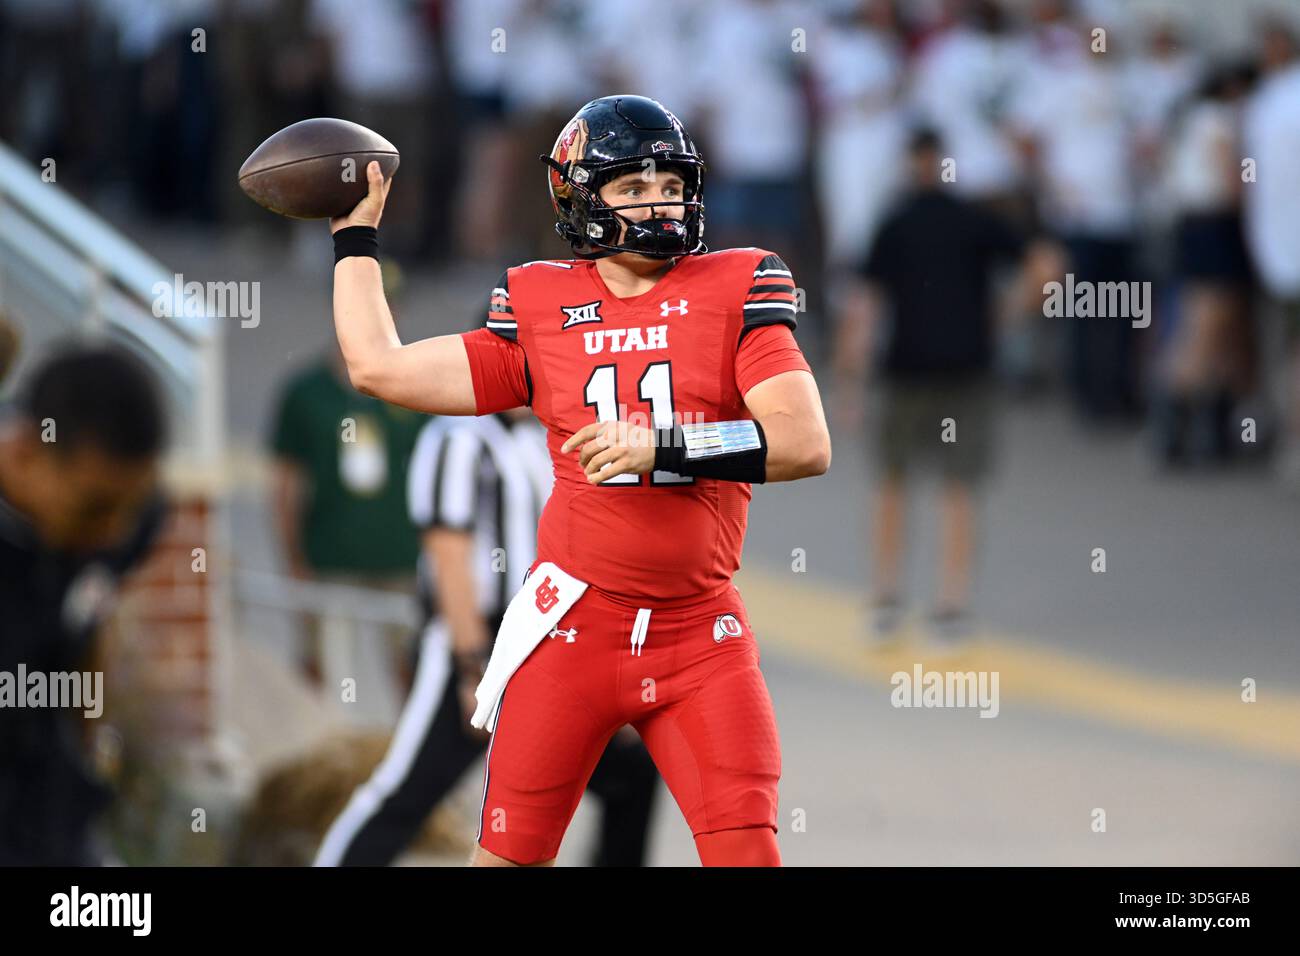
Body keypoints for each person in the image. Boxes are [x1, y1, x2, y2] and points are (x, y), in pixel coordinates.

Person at [326, 94, 831, 866]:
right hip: (571, 629)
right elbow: (377, 366)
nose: (659, 202)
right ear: (580, 199)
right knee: (506, 855)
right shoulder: (538, 301)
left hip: (700, 634)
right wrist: (355, 237)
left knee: (746, 853)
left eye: (670, 183)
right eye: (632, 187)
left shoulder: (739, 283)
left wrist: (663, 447)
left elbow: (803, 442)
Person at [315, 409, 661, 866]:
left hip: (546, 639)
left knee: (630, 775)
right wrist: (472, 666)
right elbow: (448, 555)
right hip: (480, 640)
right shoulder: (457, 438)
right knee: (407, 792)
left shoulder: (544, 435)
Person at [836, 128, 1052, 640]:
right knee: (957, 487)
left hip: (905, 371)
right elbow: (1047, 265)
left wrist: (850, 381)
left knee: (893, 482)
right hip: (968, 370)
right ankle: (950, 606)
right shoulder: (976, 220)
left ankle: (887, 599)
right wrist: (1007, 316)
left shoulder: (894, 223)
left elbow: (864, 307)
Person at [0, 342, 167, 865]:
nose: (113, 531)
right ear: (24, 454)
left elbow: (90, 623)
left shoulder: (126, 525)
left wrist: (91, 740)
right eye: (97, 508)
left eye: (129, 505)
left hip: (46, 780)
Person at [268, 340, 426, 690]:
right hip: (328, 557)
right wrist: (293, 557)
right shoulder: (307, 393)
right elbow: (286, 482)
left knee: (413, 669)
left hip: (399, 557)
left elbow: (435, 473)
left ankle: (408, 743)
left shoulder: (414, 383)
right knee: (323, 671)